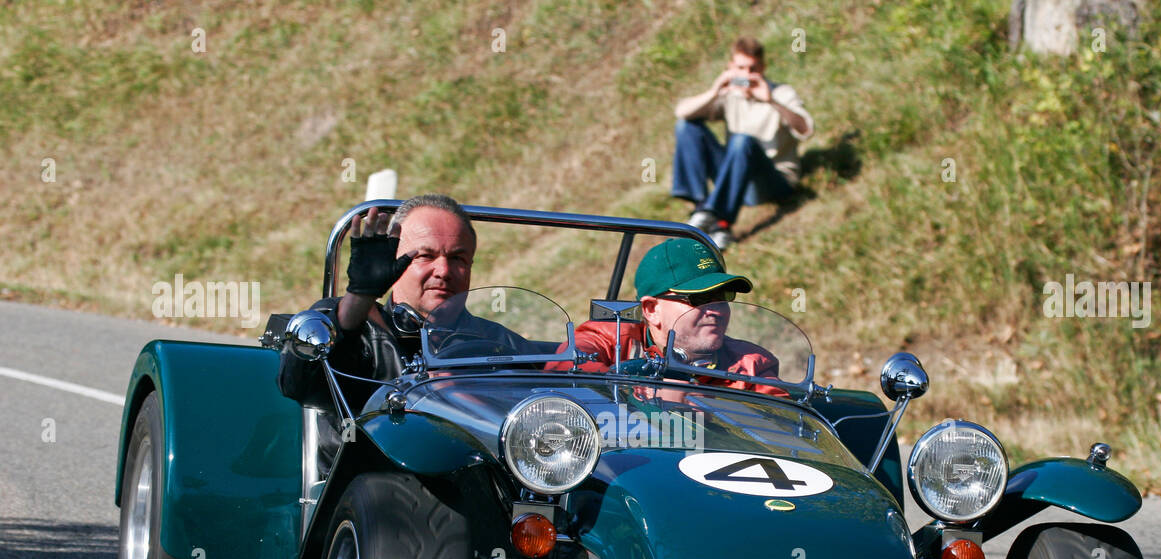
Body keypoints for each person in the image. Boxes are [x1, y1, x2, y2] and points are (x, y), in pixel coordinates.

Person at [278, 193, 532, 408]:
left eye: (457, 259)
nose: (443, 270)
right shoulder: (353, 328)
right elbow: (300, 385)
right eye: (425, 256)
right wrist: (360, 296)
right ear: (392, 262)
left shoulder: (500, 343)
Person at [545, 237, 784, 395]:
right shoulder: (610, 339)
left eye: (723, 296)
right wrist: (645, 389)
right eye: (699, 299)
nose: (717, 310)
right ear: (651, 309)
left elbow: (783, 431)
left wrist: (705, 410)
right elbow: (564, 369)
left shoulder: (752, 365)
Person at [672, 37, 814, 249]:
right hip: (736, 178)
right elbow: (682, 113)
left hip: (774, 181)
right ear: (730, 68)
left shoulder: (780, 93)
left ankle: (720, 220)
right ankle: (702, 209)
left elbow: (806, 130)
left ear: (763, 68)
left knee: (742, 141)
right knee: (687, 128)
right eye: (740, 68)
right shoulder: (731, 96)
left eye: (752, 69)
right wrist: (715, 92)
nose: (746, 75)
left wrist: (771, 101)